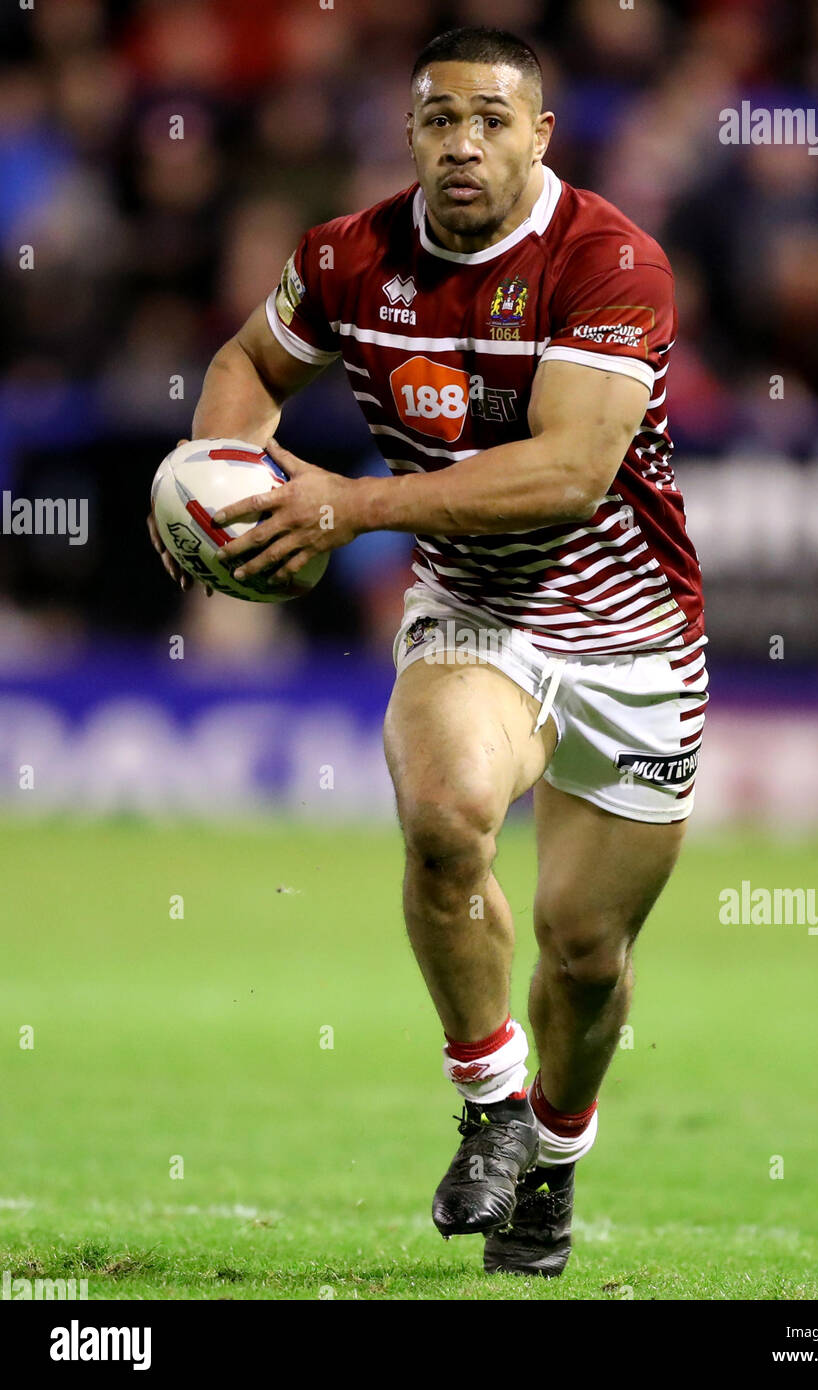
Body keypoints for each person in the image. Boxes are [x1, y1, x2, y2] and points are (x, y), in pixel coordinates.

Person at [147, 25, 708, 1278]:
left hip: (630, 636)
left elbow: (569, 474)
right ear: (409, 133)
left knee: (586, 953)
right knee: (449, 816)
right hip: (472, 609)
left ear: (540, 135)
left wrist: (349, 506)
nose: (465, 142)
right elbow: (247, 362)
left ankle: (554, 1158)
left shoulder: (612, 261)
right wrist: (218, 477)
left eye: (493, 120)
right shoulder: (346, 257)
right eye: (441, 118)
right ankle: (492, 1102)